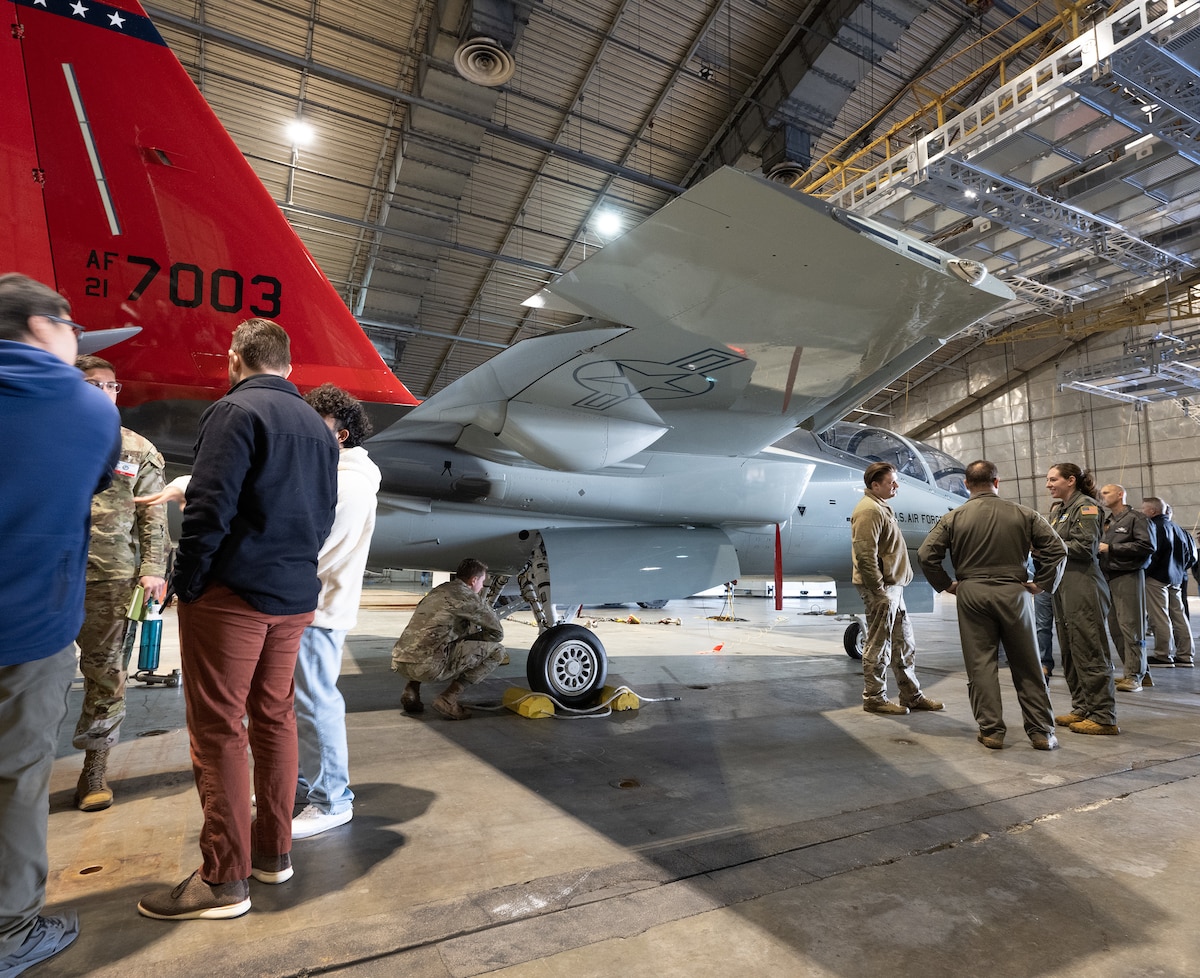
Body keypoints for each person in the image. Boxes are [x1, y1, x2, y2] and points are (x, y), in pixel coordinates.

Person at [137, 319, 338, 921]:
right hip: (294, 595)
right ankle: (273, 853)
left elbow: (209, 506)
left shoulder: (233, 412)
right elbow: (323, 516)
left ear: (234, 359)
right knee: (275, 719)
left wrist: (188, 581)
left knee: (219, 729)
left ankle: (223, 878)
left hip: (232, 598)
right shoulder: (320, 430)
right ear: (289, 366)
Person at [0, 274, 120, 975]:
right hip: (32, 631)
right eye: (73, 329)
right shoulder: (91, 410)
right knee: (16, 784)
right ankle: (11, 933)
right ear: (46, 326)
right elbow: (95, 482)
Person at [71, 355, 169, 813]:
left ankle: (95, 771)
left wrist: (153, 569)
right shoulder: (47, 436)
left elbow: (153, 515)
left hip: (112, 578)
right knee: (34, 674)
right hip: (51, 572)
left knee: (106, 674)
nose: (104, 393)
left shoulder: (136, 449)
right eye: (92, 384)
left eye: (110, 387)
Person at [918, 461, 1066, 750]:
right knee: (1027, 663)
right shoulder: (1024, 514)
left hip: (971, 593)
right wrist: (1042, 584)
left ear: (966, 484)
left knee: (981, 664)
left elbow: (926, 554)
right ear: (997, 482)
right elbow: (1058, 549)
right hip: (1014, 592)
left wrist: (947, 584)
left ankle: (992, 732)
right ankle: (1041, 733)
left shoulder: (954, 517)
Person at [291, 384, 380, 838]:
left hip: (318, 609)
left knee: (314, 701)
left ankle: (332, 800)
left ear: (341, 435)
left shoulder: (350, 483)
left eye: (315, 422)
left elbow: (321, 551)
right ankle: (305, 788)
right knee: (296, 704)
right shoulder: (332, 473)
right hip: (307, 605)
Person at [850, 461, 943, 716]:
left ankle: (911, 695)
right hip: (882, 590)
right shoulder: (869, 510)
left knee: (903, 643)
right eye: (891, 482)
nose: (896, 486)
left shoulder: (881, 507)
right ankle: (874, 697)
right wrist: (878, 591)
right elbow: (865, 555)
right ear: (875, 485)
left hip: (894, 588)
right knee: (879, 645)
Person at [1046, 463, 1119, 735]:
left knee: (1089, 647)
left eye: (1053, 479)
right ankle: (1082, 707)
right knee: (1069, 648)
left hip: (1084, 583)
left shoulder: (1087, 507)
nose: (1048, 484)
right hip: (1063, 584)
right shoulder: (1061, 510)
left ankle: (1103, 716)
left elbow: (1085, 548)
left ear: (1071, 480)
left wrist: (1047, 545)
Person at [392, 558, 505, 720]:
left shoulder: (438, 590)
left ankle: (411, 690)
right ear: (474, 580)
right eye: (482, 581)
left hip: (400, 662)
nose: (482, 587)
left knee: (429, 637)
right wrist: (471, 639)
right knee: (498, 651)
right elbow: (497, 633)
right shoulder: (469, 597)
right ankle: (448, 698)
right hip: (427, 668)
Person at [1098, 483, 1155, 692]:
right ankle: (1140, 672)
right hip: (1109, 576)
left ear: (1120, 494)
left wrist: (1111, 548)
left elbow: (1147, 546)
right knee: (1116, 628)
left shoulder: (1136, 519)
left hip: (1129, 575)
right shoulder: (1107, 521)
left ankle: (1134, 676)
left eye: (1106, 493)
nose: (1102, 496)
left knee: (1132, 627)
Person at [1142, 496, 1196, 668]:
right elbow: (1191, 556)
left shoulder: (1154, 527)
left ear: (1152, 511)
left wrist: (1146, 573)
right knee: (1179, 616)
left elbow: (1152, 554)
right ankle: (1185, 655)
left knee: (1159, 616)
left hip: (1157, 578)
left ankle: (1163, 655)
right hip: (1177, 578)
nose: (1142, 513)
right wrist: (1180, 571)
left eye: (1143, 509)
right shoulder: (1179, 529)